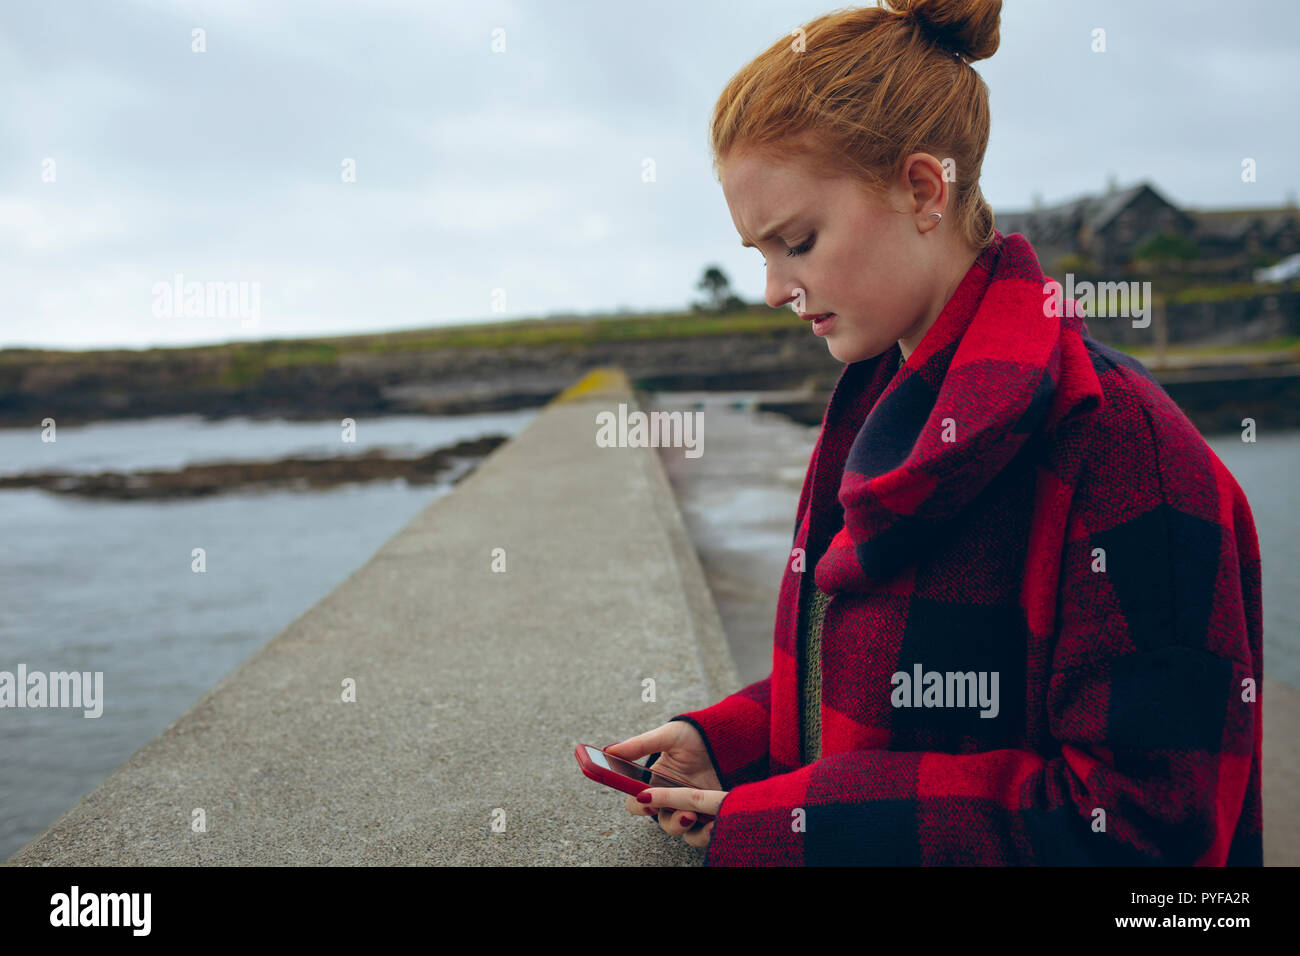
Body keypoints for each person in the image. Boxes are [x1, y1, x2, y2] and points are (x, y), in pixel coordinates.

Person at [605, 0, 1263, 865]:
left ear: (923, 189)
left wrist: (792, 823)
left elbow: (1145, 831)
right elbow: (892, 687)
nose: (774, 289)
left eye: (796, 242)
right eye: (761, 252)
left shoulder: (1125, 451)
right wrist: (728, 739)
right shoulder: (878, 400)